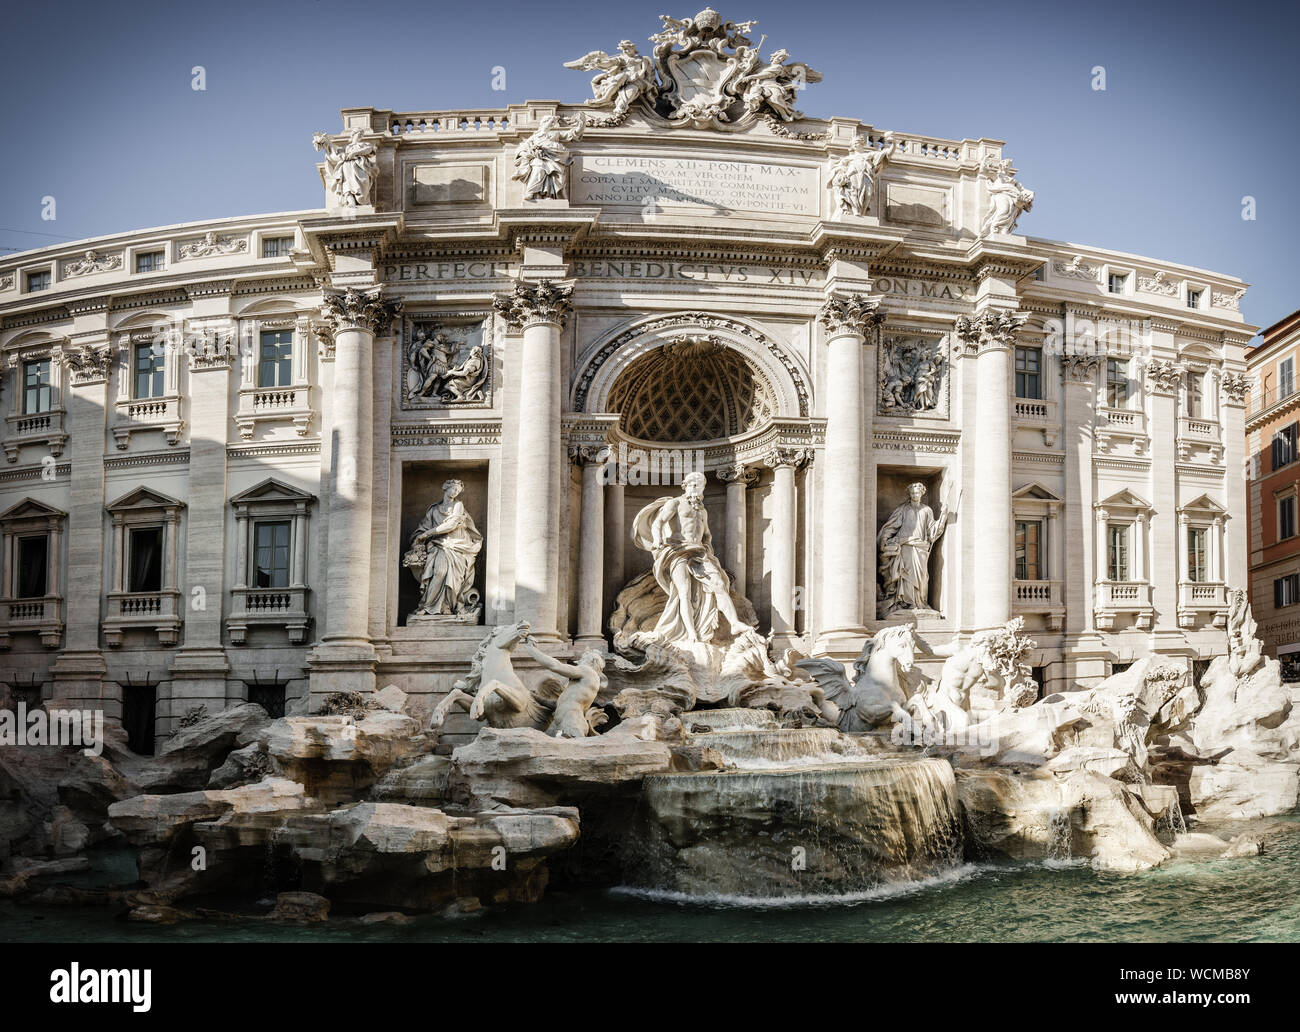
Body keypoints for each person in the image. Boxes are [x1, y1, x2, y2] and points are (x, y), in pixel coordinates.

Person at [632, 471, 754, 644]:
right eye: (694, 484)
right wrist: (658, 539)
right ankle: (690, 633)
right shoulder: (675, 503)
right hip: (678, 550)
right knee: (684, 591)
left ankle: (734, 623)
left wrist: (708, 551)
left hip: (699, 553)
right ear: (686, 486)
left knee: (719, 584)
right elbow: (658, 523)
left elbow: (706, 535)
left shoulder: (702, 511)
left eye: (701, 485)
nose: (697, 488)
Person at [407, 479, 482, 617]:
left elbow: (451, 525)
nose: (455, 492)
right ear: (445, 488)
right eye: (453, 489)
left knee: (454, 578)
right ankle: (427, 606)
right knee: (440, 572)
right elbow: (423, 527)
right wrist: (419, 537)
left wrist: (427, 534)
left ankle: (447, 606)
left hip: (457, 546)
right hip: (439, 545)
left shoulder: (458, 505)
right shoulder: (434, 510)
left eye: (458, 491)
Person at [878, 482, 952, 612]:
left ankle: (920, 602)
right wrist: (884, 539)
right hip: (905, 545)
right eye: (912, 493)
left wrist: (944, 516)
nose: (914, 495)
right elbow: (892, 526)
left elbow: (932, 532)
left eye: (917, 492)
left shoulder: (927, 510)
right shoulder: (903, 509)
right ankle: (905, 603)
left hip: (920, 548)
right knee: (906, 575)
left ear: (922, 493)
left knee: (921, 577)